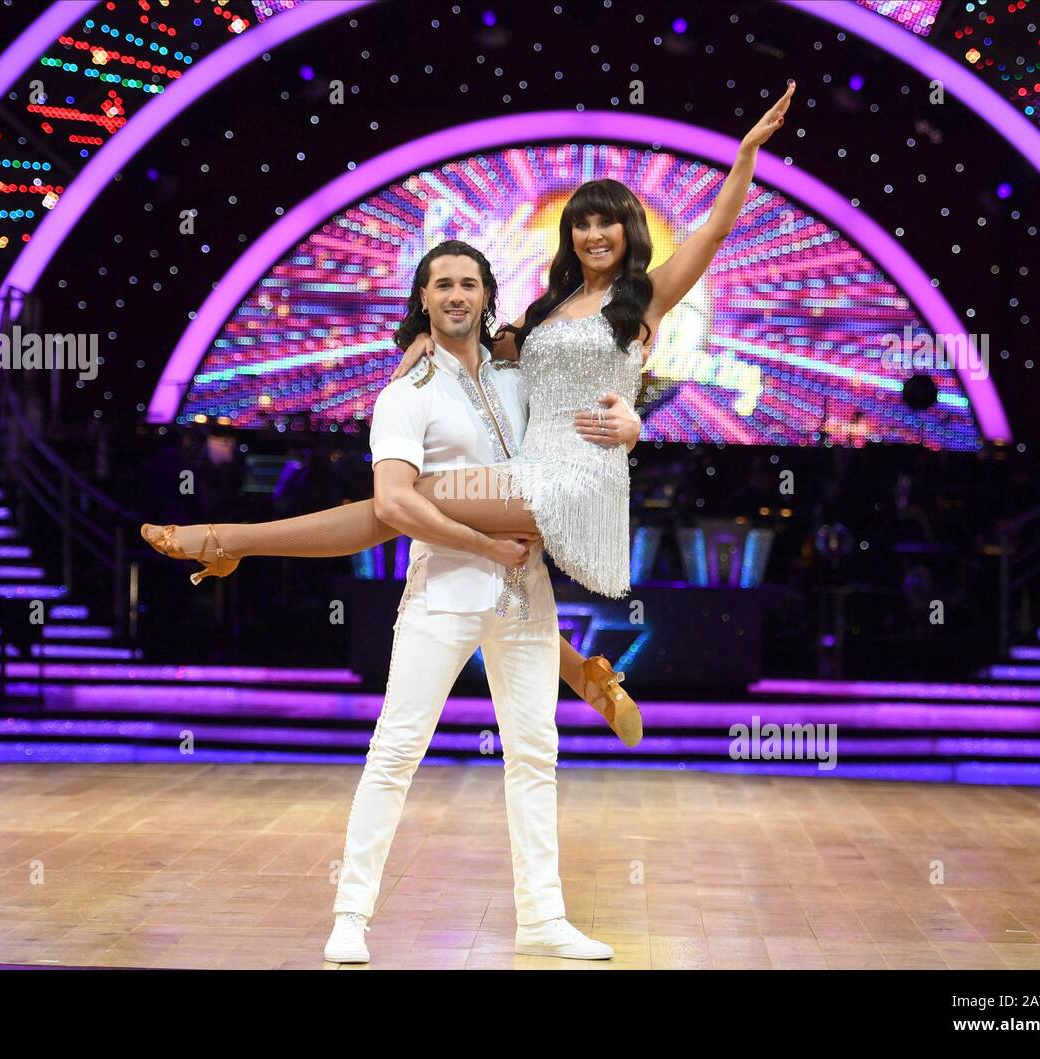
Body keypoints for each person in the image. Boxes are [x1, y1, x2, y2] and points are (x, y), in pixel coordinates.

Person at [142, 82, 796, 741]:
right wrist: (427, 334)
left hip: (577, 486)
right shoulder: (542, 314)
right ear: (571, 234)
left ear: (630, 232)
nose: (597, 233)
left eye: (610, 221)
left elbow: (714, 231)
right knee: (408, 513)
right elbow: (476, 341)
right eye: (585, 222)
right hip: (528, 475)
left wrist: (744, 154)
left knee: (401, 504)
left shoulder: (643, 301)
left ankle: (232, 540)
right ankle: (584, 673)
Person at [322, 242, 612, 961]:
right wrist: (486, 546)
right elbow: (392, 503)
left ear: (487, 297)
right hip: (444, 591)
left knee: (535, 754)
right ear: (423, 297)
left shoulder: (519, 384)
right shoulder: (406, 393)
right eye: (443, 284)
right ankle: (351, 916)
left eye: (469, 284)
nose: (457, 294)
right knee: (396, 750)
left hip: (526, 594)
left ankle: (543, 918)